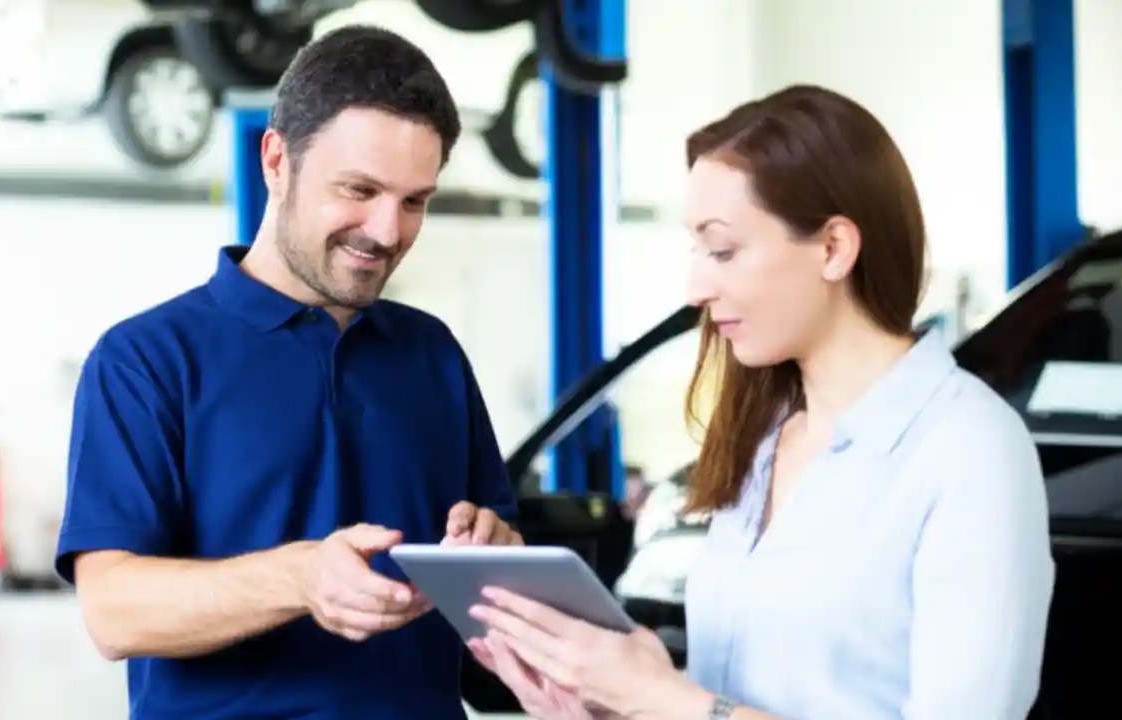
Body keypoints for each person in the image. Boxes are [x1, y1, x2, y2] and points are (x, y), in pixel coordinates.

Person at [467, 84, 1055, 719]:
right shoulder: (768, 438)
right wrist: (602, 699)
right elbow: (739, 693)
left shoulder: (969, 450)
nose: (696, 286)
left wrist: (665, 699)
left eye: (722, 250)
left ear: (833, 248)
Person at [54, 25, 522, 719]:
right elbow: (115, 612)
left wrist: (495, 553)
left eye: (415, 200)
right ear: (277, 160)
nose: (388, 231)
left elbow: (492, 582)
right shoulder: (146, 361)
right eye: (358, 189)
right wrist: (300, 578)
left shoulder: (433, 354)